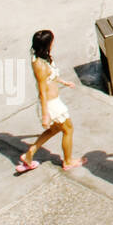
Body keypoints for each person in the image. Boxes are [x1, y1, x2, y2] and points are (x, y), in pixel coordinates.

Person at [16, 30, 86, 173]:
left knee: (54, 130)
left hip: (52, 102)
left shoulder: (41, 58)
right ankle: (67, 161)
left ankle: (29, 155)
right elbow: (42, 90)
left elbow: (51, 76)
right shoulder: (40, 66)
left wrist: (64, 82)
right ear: (47, 44)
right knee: (68, 129)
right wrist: (45, 115)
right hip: (52, 104)